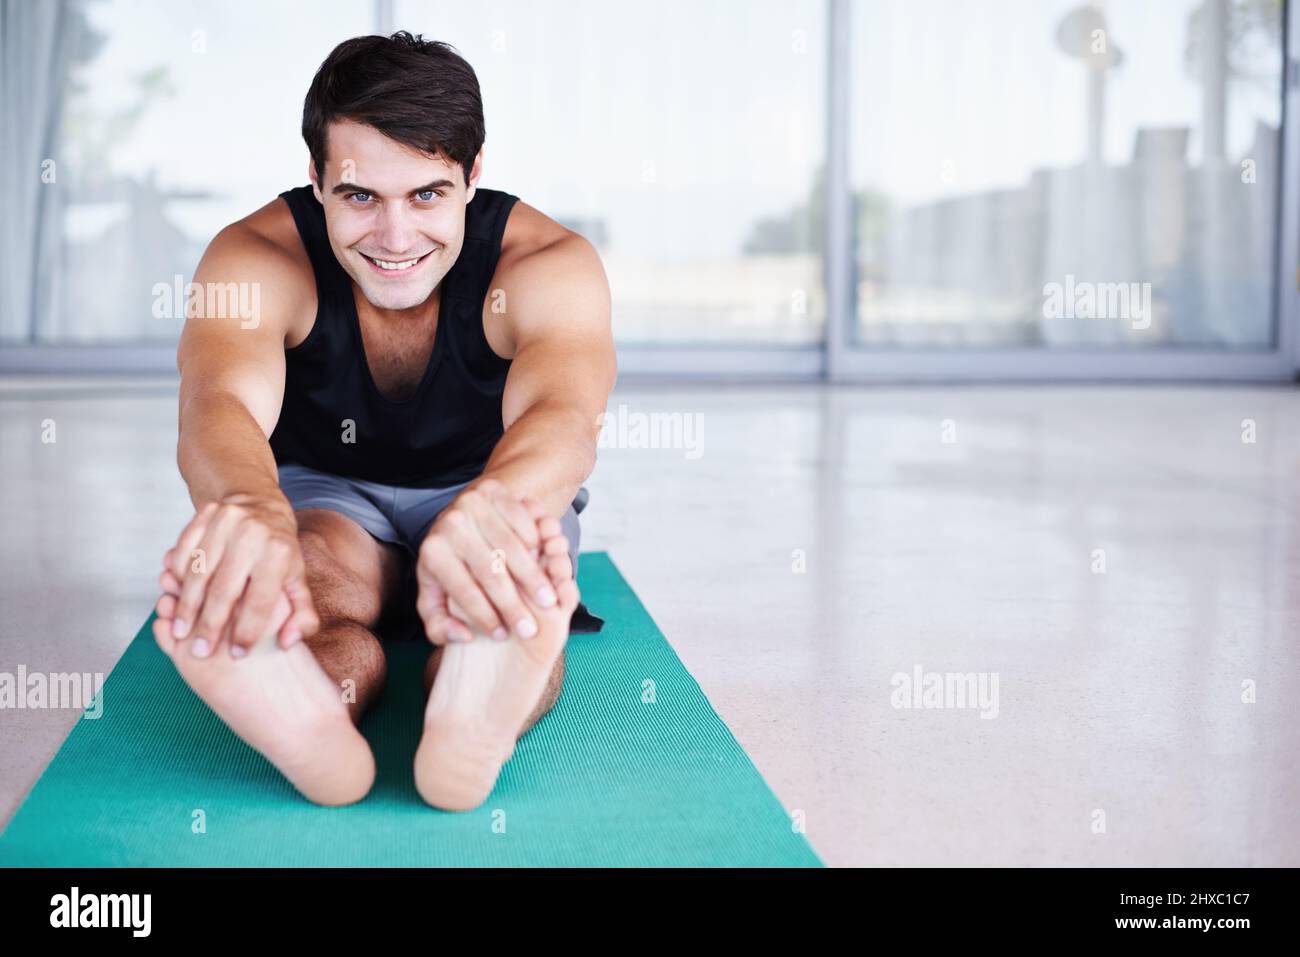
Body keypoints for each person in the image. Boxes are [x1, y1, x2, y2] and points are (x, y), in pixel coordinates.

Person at [149, 31, 616, 811]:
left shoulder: (546, 264)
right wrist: (251, 508)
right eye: (361, 196)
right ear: (318, 179)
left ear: (472, 176)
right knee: (318, 587)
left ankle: (468, 710)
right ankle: (318, 708)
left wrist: (496, 511)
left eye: (427, 194)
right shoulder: (257, 256)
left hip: (486, 481)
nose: (395, 239)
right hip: (328, 494)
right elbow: (216, 402)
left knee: (499, 594)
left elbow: (563, 415)